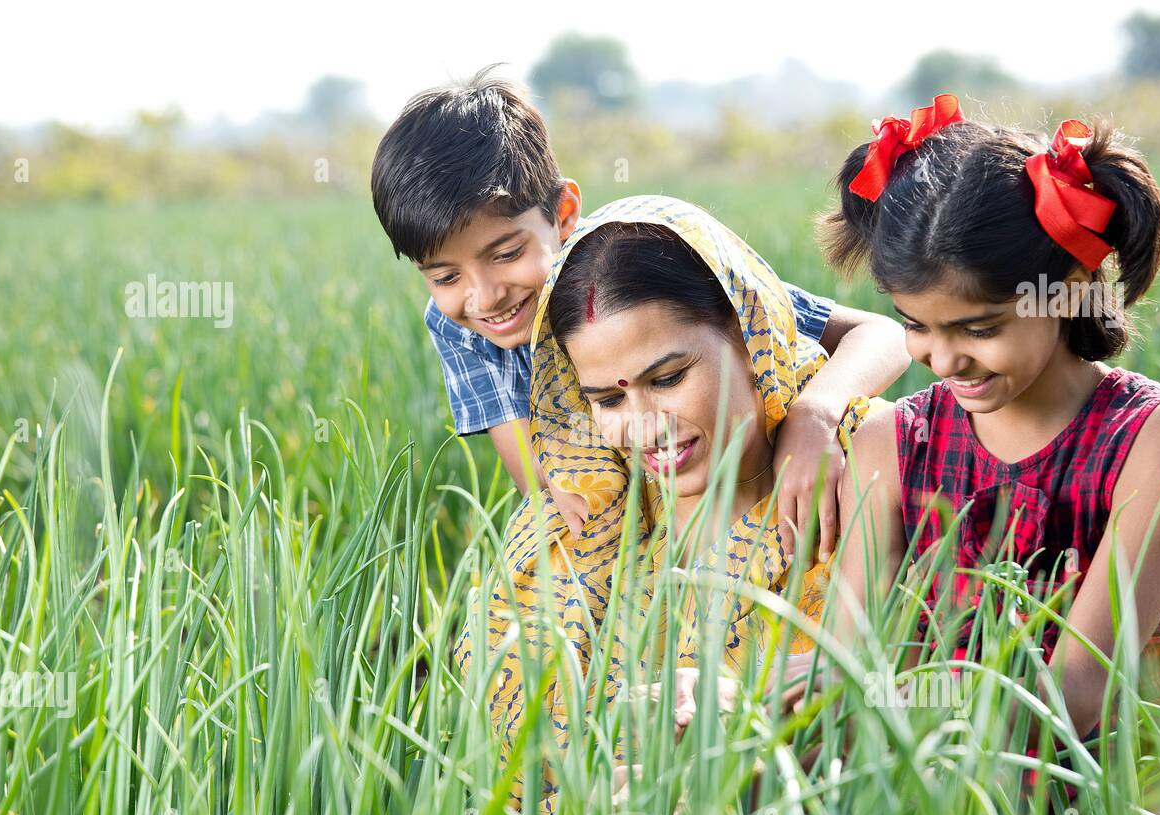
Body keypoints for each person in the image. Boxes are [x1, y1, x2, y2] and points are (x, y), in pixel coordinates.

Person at [810, 94, 1160, 815]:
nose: (945, 361)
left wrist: (917, 724)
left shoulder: (1157, 440)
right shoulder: (890, 440)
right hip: (931, 745)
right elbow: (851, 655)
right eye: (915, 325)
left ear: (1071, 286)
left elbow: (1081, 690)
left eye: (980, 329)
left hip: (1119, 752)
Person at [454, 195, 883, 815]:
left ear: (751, 338)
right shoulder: (577, 531)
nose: (644, 424)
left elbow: (919, 708)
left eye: (670, 377)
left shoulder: (863, 474)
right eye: (608, 398)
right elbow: (505, 772)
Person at [370, 67, 908, 562]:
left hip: (761, 486)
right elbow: (547, 485)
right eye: (445, 277)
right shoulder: (458, 327)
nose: (484, 297)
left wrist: (813, 417)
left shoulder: (635, 269)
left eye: (507, 254)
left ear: (563, 214)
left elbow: (882, 333)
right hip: (644, 512)